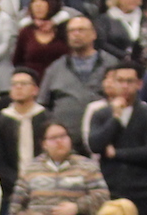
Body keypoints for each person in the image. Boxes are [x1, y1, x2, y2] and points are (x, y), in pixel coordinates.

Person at [15, 123, 106, 215]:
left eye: (63, 136)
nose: (59, 141)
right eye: (53, 138)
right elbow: (17, 206)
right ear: (44, 144)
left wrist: (77, 207)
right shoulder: (31, 169)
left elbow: (102, 198)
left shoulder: (87, 167)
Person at [41, 16, 121, 146]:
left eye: (81, 30)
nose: (75, 34)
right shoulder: (55, 68)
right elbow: (43, 103)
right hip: (66, 142)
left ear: (94, 34)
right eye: (71, 31)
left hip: (104, 140)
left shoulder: (111, 64)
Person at [0, 69, 54, 203]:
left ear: (35, 90)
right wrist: (18, 182)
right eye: (14, 84)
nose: (18, 87)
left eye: (23, 84)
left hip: (45, 184)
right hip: (10, 189)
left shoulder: (47, 118)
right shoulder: (0, 121)